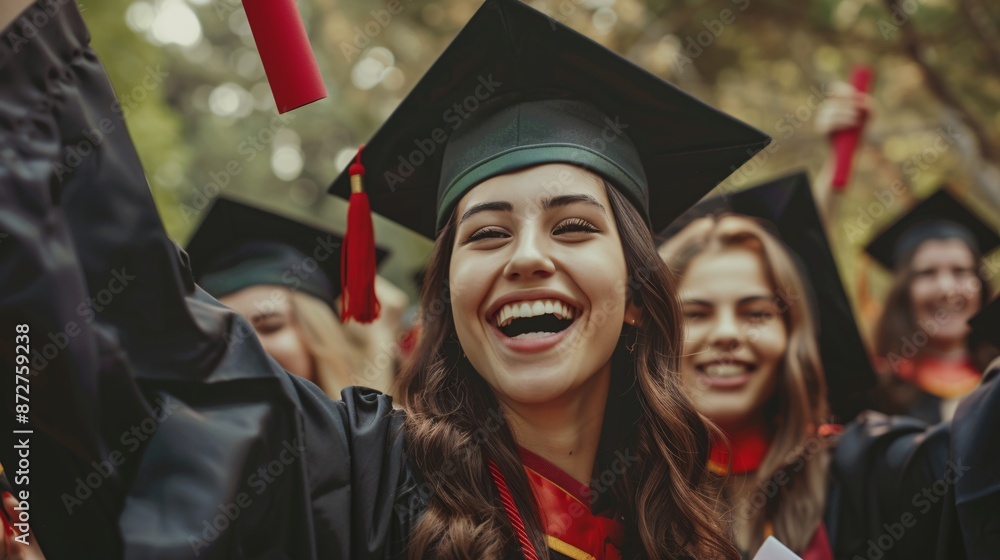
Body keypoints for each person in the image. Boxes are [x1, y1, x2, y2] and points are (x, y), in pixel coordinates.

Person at [0, 0, 771, 558]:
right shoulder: (350, 476)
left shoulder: (691, 535)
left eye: (573, 226)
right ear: (448, 298)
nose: (527, 257)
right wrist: (27, 50)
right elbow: (151, 350)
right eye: (487, 234)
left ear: (637, 297)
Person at [659, 172, 1000, 560]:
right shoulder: (618, 488)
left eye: (756, 313)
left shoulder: (859, 469)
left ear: (793, 335)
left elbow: (978, 454)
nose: (727, 333)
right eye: (696, 313)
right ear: (656, 331)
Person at [184, 196, 406, 397]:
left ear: (319, 333)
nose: (245, 345)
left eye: (271, 326)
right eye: (225, 337)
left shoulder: (403, 435)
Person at [865, 190, 999, 423]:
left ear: (981, 286)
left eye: (960, 271)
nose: (947, 289)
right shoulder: (875, 393)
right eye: (927, 273)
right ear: (903, 293)